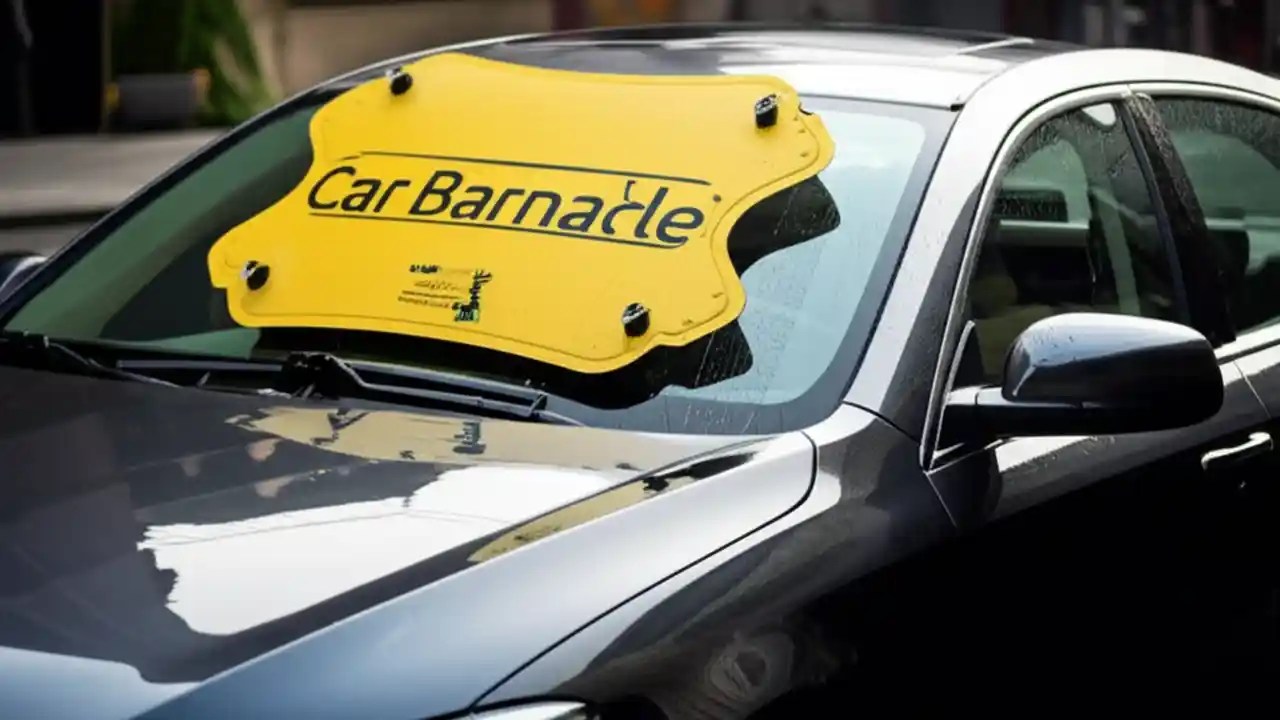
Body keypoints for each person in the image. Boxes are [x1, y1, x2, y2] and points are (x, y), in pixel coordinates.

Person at [1, 0, 33, 136]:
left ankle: (21, 126)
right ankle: (22, 126)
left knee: (18, 85)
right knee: (18, 85)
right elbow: (19, 16)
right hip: (13, 38)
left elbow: (19, 15)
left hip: (13, 39)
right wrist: (26, 36)